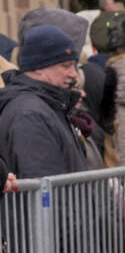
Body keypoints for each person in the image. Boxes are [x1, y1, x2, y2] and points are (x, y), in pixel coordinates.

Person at [0, 26, 84, 178]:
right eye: (66, 66)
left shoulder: (50, 104)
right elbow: (43, 186)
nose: (74, 74)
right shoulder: (29, 114)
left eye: (74, 65)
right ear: (38, 68)